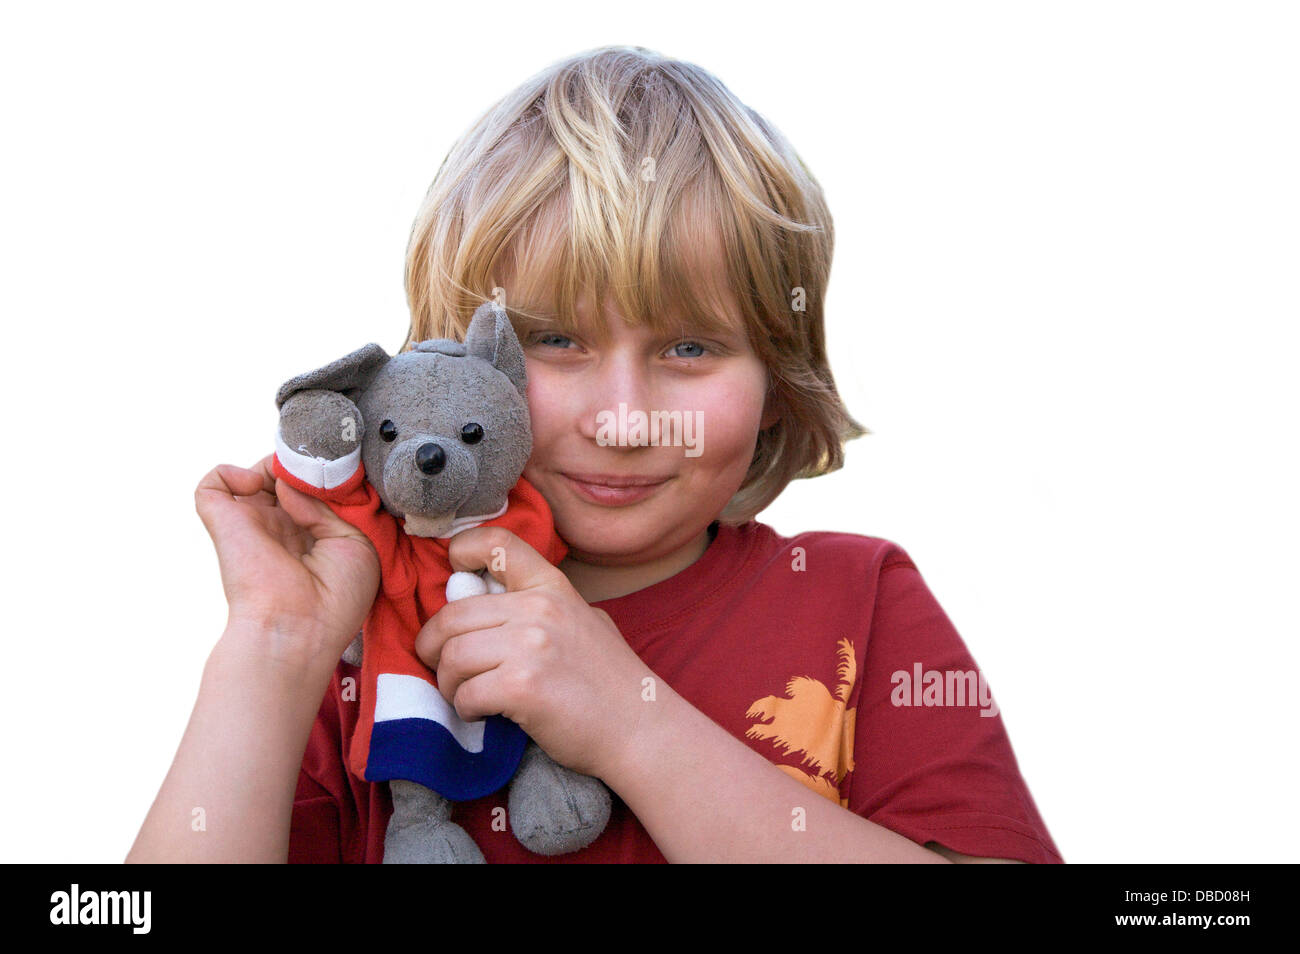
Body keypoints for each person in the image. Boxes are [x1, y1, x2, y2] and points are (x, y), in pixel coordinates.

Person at [128, 45, 1062, 864]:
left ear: (777, 377)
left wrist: (629, 721)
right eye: (553, 341)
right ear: (445, 371)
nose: (623, 419)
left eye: (690, 347)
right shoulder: (354, 636)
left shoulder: (859, 601)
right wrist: (273, 648)